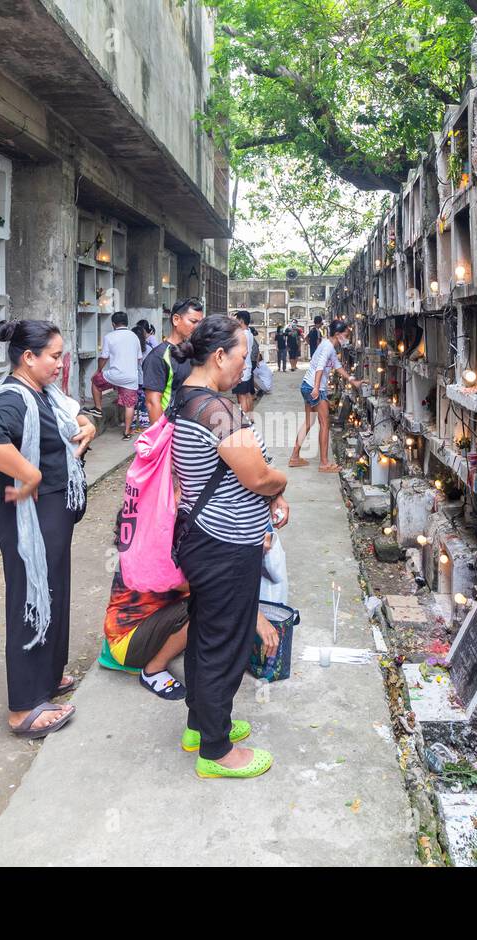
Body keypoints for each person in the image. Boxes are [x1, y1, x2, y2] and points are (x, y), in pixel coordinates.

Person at [169, 313, 289, 779]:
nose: (246, 366)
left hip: (202, 538)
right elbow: (257, 475)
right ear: (219, 356)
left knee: (205, 633)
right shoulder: (219, 411)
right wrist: (280, 484)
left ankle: (200, 725)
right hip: (225, 544)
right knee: (225, 642)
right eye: (243, 356)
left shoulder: (189, 399)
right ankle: (216, 752)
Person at [0, 318, 97, 739]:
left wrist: (87, 424)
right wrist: (31, 475)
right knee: (29, 600)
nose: (61, 364)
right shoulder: (12, 397)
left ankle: (47, 677)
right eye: (55, 356)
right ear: (28, 357)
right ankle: (23, 708)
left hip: (52, 516)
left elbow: (69, 412)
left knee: (52, 593)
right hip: (30, 519)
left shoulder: (42, 392)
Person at [290, 318, 363, 473]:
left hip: (307, 385)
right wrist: (317, 388)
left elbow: (337, 366)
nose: (347, 338)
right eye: (346, 335)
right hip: (314, 387)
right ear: (337, 334)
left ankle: (294, 457)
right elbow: (320, 368)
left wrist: (352, 380)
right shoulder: (328, 347)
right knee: (325, 424)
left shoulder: (328, 345)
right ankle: (324, 463)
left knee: (309, 422)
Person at [141, 297, 204, 424]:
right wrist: (161, 439)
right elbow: (153, 403)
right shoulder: (158, 356)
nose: (197, 327)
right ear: (176, 319)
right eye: (193, 321)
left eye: (199, 323)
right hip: (171, 426)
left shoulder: (193, 351)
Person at [86, 312, 142, 440]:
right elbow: (139, 358)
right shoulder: (134, 337)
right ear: (127, 322)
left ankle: (98, 409)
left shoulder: (109, 337)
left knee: (95, 381)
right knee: (130, 405)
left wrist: (99, 370)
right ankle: (127, 432)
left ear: (113, 324)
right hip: (131, 377)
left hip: (114, 375)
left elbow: (104, 357)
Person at [230, 309, 260, 413]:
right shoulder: (249, 333)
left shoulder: (242, 334)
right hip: (247, 368)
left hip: (241, 370)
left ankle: (245, 422)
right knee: (247, 395)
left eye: (237, 320)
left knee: (242, 397)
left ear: (241, 320)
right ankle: (250, 419)